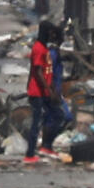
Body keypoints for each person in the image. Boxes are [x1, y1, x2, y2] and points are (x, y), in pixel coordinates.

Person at [23, 20, 57, 164]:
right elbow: (37, 71)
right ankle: (30, 154)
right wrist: (48, 89)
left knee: (53, 117)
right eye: (50, 32)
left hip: (43, 92)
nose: (52, 35)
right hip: (38, 92)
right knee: (36, 123)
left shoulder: (44, 48)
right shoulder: (38, 49)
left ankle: (45, 146)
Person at [42, 22, 73, 148]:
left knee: (58, 117)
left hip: (55, 92)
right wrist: (52, 91)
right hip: (51, 92)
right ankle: (47, 144)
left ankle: (48, 144)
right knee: (62, 116)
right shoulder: (52, 55)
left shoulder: (55, 54)